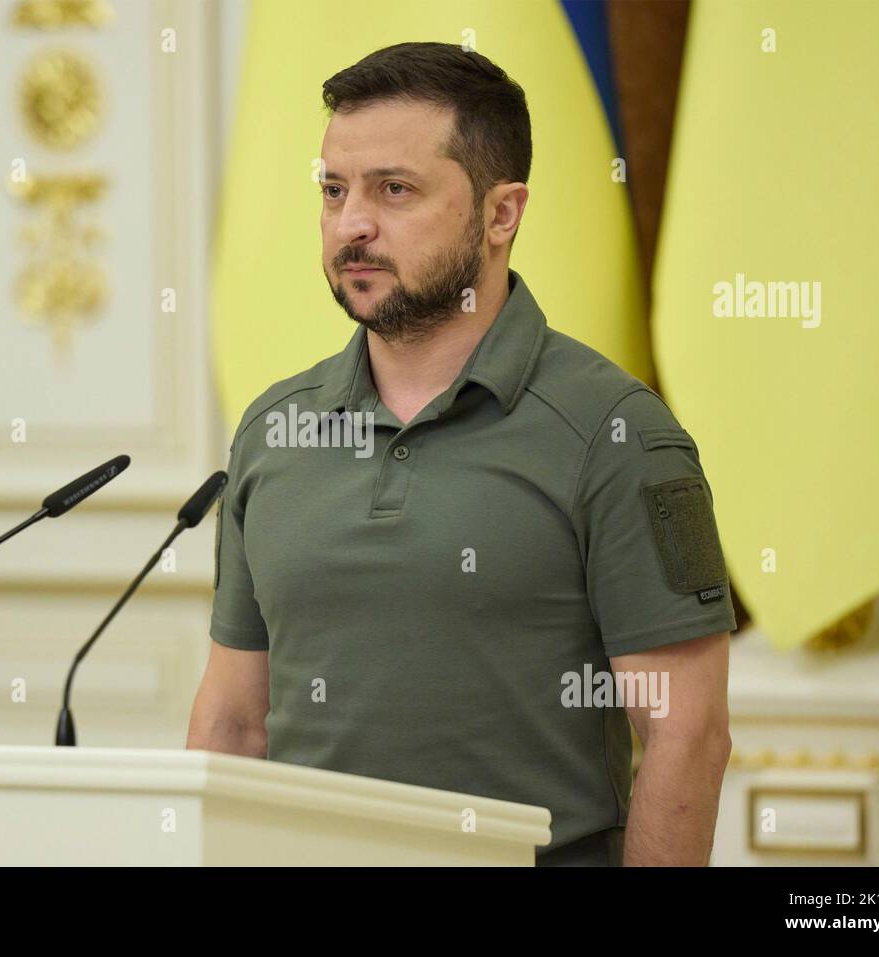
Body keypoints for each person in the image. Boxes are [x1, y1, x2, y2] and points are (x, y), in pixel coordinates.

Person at [188, 42, 735, 866]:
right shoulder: (275, 431)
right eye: (333, 190)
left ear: (501, 214)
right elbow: (232, 724)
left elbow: (686, 732)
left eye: (393, 189)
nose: (351, 224)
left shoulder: (619, 434)